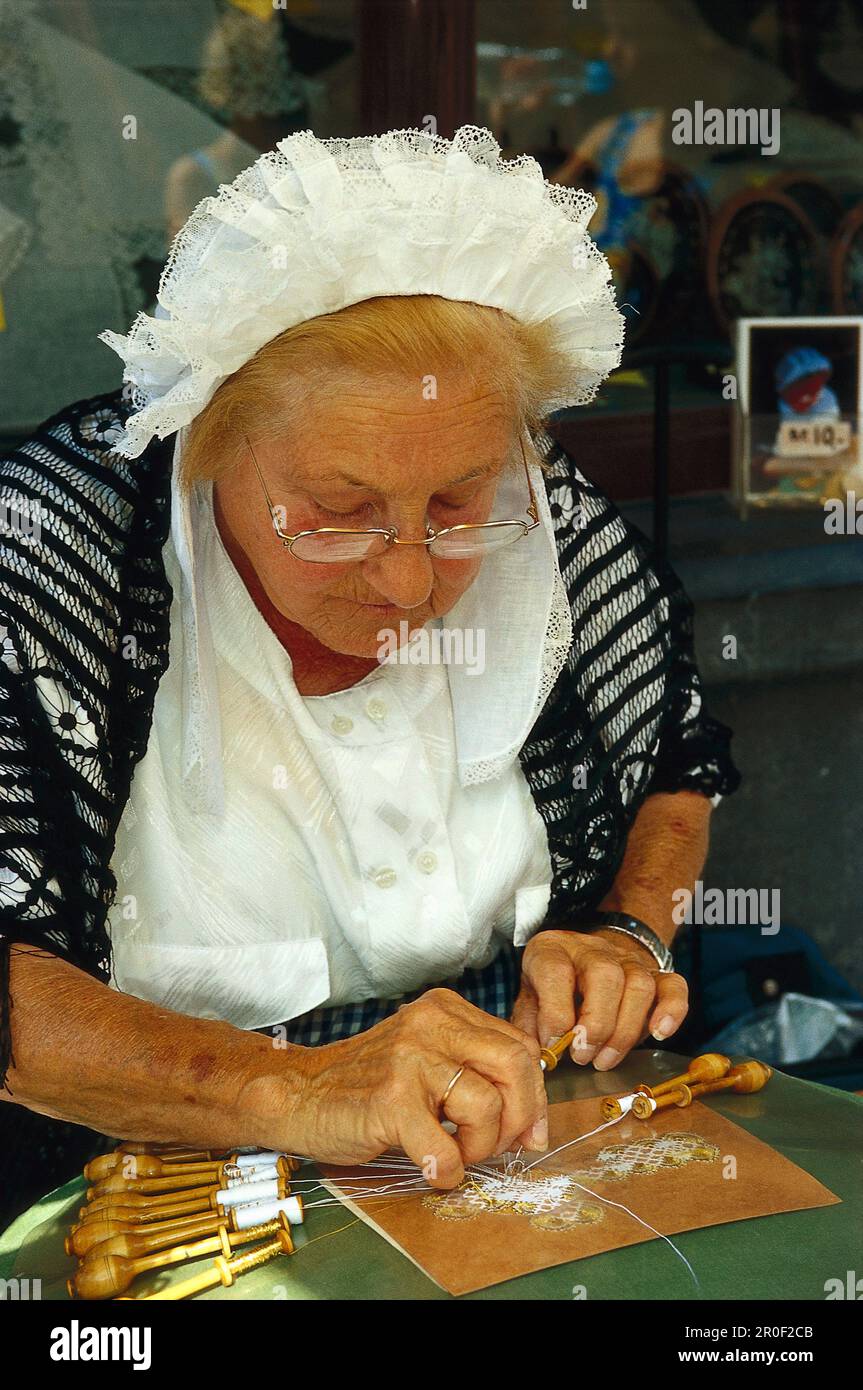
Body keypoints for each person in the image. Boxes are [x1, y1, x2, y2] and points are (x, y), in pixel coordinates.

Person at [0, 126, 738, 1211]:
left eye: (454, 505)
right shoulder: (52, 551)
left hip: (515, 1157)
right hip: (141, 1193)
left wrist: (623, 930)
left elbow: (673, 742)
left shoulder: (545, 520)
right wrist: (293, 1088)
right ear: (205, 441)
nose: (406, 580)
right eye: (339, 514)